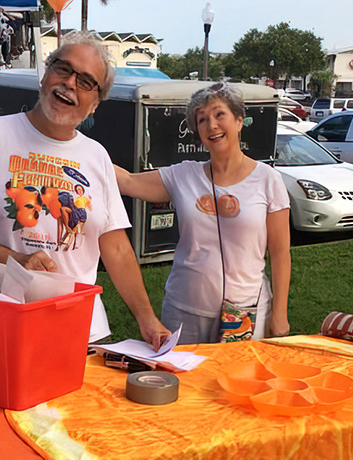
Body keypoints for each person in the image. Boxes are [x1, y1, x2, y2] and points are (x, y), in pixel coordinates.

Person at [0, 32, 169, 349]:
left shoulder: (96, 156)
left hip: (79, 331)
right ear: (45, 75)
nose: (70, 83)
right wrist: (16, 259)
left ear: (95, 105)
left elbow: (117, 249)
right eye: (63, 68)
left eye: (86, 82)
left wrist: (147, 319)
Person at [115, 82, 291, 344]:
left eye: (220, 115)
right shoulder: (183, 175)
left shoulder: (268, 180)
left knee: (237, 383)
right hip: (185, 310)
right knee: (186, 383)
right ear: (197, 130)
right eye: (202, 120)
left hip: (247, 311)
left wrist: (280, 314)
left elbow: (279, 253)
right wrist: (82, 154)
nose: (212, 125)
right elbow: (128, 181)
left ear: (239, 121)